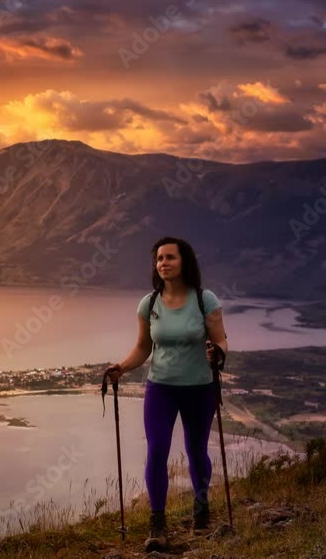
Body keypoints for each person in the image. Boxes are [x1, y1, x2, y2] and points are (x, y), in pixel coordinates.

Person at [104, 236, 227, 552]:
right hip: (161, 388)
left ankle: (201, 510)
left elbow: (221, 341)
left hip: (200, 388)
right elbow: (144, 346)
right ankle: (157, 524)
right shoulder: (149, 304)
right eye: (159, 259)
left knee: (196, 450)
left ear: (184, 261)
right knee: (157, 450)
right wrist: (122, 367)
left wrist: (217, 354)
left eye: (170, 257)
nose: (163, 263)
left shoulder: (205, 300)